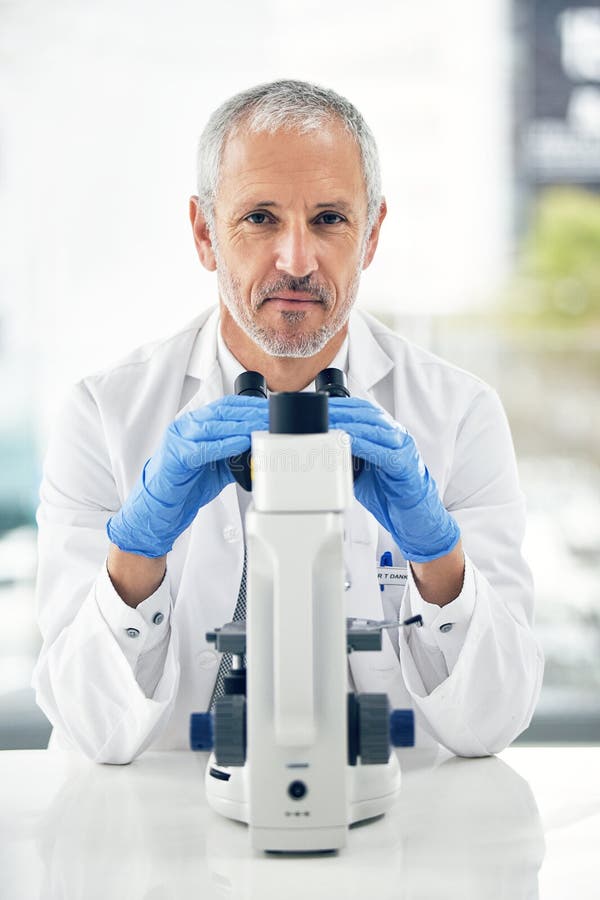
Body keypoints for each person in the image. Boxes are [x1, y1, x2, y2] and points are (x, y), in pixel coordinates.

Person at [32, 80, 544, 764]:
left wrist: (440, 562)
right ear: (204, 233)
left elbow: (494, 721)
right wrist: (135, 557)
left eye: (329, 218)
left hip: (398, 847)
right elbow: (87, 726)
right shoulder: (102, 417)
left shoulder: (460, 415)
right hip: (166, 851)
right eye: (260, 218)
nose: (296, 260)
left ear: (372, 235)